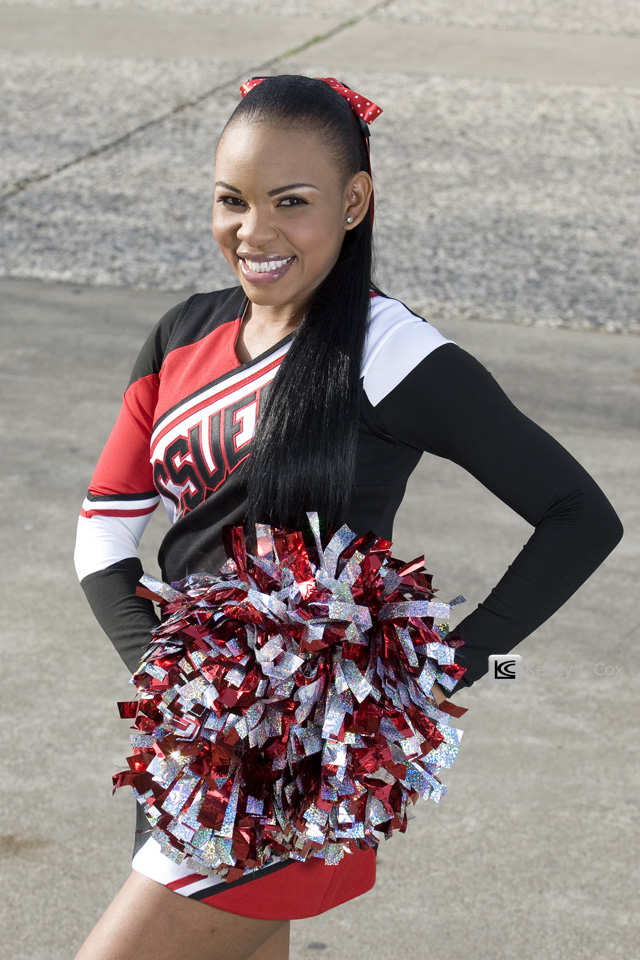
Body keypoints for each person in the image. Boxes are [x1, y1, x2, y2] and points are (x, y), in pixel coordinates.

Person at [73, 74, 623, 960]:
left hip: (290, 767)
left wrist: (433, 678)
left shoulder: (392, 350)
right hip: (189, 749)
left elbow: (579, 516)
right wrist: (173, 684)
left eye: (292, 202)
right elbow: (104, 528)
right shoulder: (180, 336)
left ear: (354, 201)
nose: (255, 231)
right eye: (232, 200)